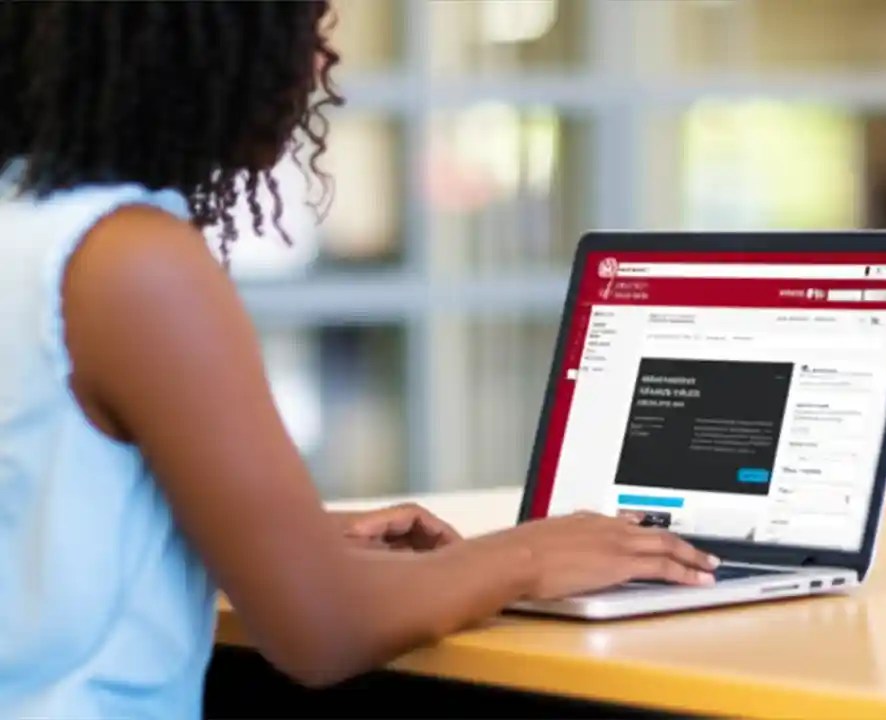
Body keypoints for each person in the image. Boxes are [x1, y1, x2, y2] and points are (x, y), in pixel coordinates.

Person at [0, 3, 717, 717]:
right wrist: (528, 556)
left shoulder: (27, 229)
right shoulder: (133, 261)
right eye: (298, 27)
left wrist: (277, 535)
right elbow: (322, 628)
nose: (319, 63)